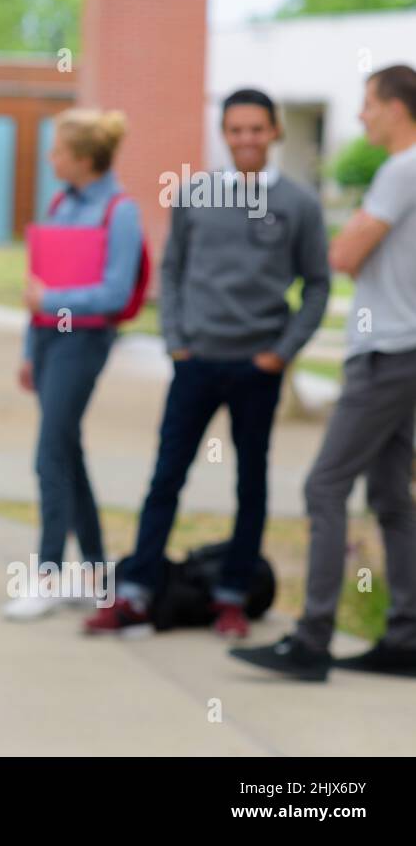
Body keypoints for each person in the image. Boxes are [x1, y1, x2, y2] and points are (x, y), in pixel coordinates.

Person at [86, 89, 330, 637]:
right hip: (195, 362)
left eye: (256, 129)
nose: (246, 138)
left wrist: (281, 354)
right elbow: (170, 272)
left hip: (256, 367)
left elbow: (317, 285)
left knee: (251, 483)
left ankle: (231, 597)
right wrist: (176, 341)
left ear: (275, 132)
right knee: (166, 476)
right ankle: (137, 593)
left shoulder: (299, 205)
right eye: (236, 129)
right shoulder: (196, 195)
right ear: (224, 133)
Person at [232, 65, 416, 680]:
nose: (362, 117)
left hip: (387, 352)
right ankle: (406, 636)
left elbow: (342, 255)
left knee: (324, 486)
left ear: (396, 107)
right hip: (402, 349)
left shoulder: (401, 169)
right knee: (391, 495)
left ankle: (310, 640)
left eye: (369, 105)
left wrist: (355, 232)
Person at [3, 109, 143, 620]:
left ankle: (45, 575)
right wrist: (27, 349)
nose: (50, 157)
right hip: (46, 342)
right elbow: (36, 284)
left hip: (83, 343)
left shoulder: (120, 211)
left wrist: (53, 298)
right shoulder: (61, 202)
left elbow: (116, 291)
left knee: (49, 455)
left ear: (83, 158)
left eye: (58, 150)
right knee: (66, 449)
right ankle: (98, 572)